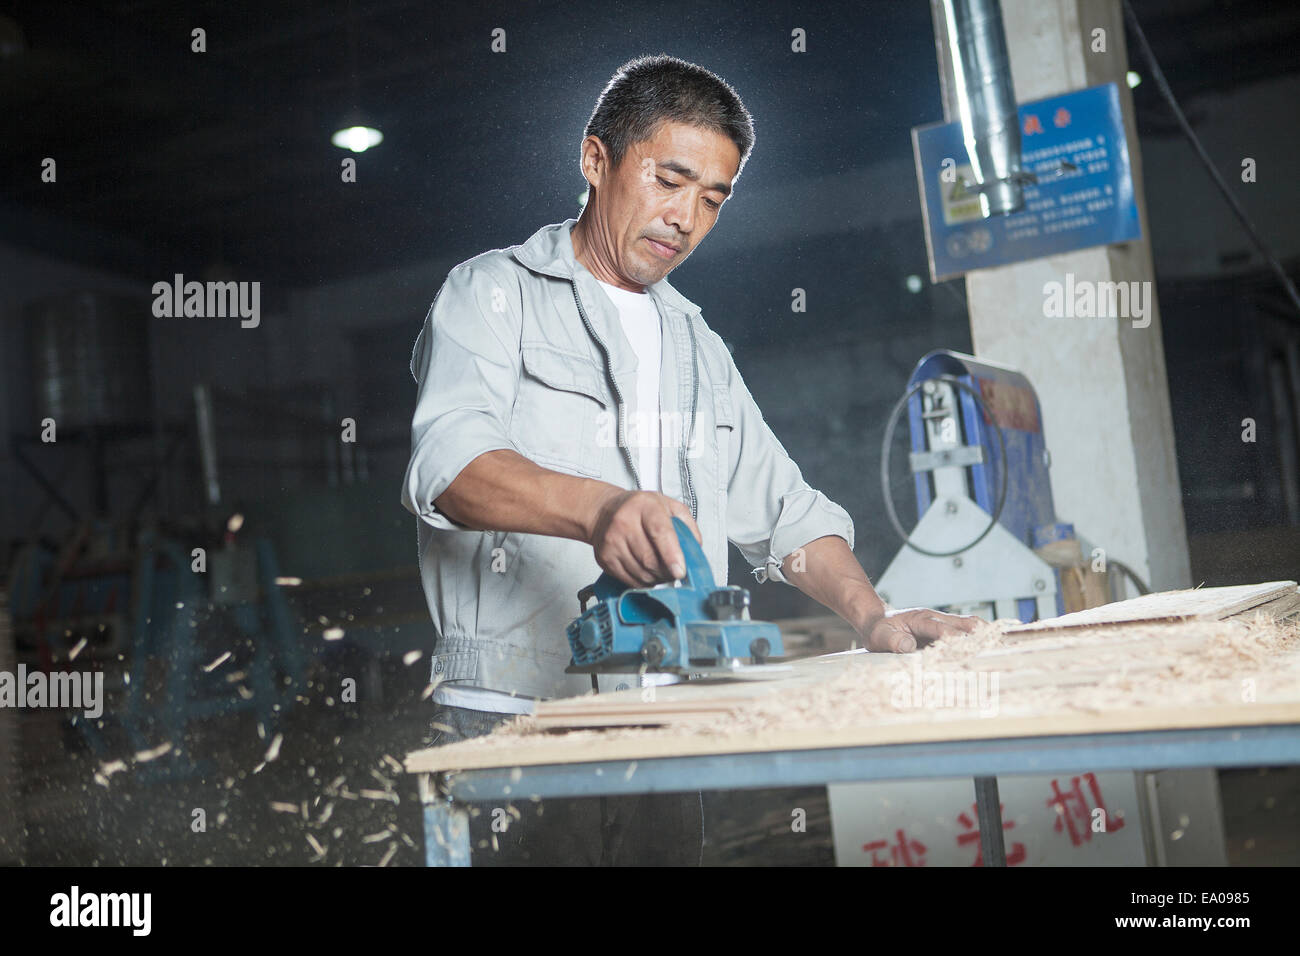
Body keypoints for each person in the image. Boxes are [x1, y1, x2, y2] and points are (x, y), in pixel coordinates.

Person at [401, 54, 978, 865]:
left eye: (713, 199)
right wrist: (601, 508)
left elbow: (788, 513)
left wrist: (870, 613)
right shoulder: (495, 294)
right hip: (517, 715)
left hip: (665, 716)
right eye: (669, 181)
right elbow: (450, 465)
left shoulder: (698, 347)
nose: (686, 218)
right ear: (595, 160)